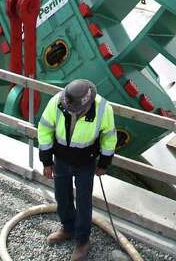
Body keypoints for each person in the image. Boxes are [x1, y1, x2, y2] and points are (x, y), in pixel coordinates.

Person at [37, 79, 117, 261]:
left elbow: (109, 136)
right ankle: (67, 228)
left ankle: (82, 240)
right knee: (61, 195)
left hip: (85, 162)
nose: (73, 113)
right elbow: (44, 129)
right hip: (62, 160)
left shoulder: (104, 108)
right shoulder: (58, 101)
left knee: (83, 201)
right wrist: (46, 161)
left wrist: (104, 162)